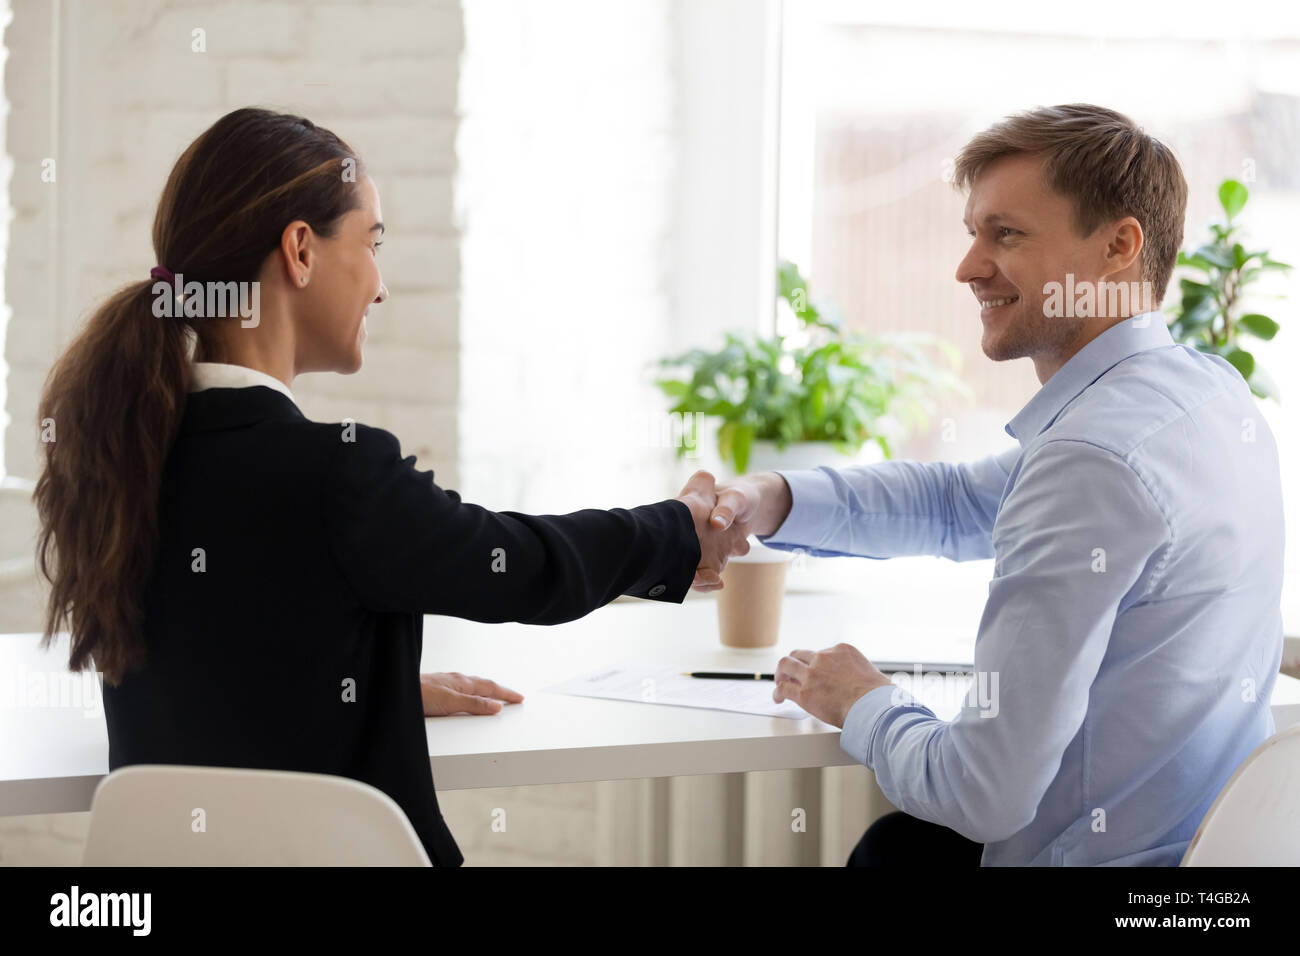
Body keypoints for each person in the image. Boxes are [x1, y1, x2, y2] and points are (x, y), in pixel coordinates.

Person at [32, 107, 750, 867]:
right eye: (371, 243)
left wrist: (371, 685)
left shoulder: (121, 453)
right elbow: (524, 567)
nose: (379, 286)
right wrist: (678, 527)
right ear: (300, 251)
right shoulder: (336, 473)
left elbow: (215, 669)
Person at [708, 104, 1285, 866]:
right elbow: (955, 503)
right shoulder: (1205, 393)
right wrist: (773, 499)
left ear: (1118, 247)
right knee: (901, 846)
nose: (967, 266)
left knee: (896, 850)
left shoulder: (1093, 453)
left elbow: (982, 794)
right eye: (973, 232)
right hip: (1196, 863)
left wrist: (862, 702)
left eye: (1005, 234)